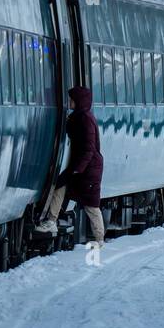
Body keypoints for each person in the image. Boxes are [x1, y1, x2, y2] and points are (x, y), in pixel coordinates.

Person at [35, 86, 105, 245]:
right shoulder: (78, 117)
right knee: (60, 186)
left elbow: (89, 148)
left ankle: (99, 240)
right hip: (82, 166)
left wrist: (77, 169)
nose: (69, 102)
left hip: (88, 169)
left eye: (71, 99)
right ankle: (51, 221)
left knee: (91, 206)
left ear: (78, 101)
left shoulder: (85, 119)